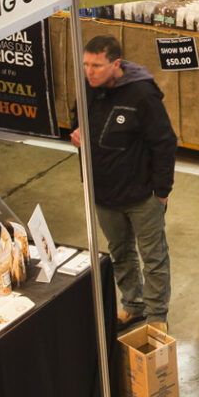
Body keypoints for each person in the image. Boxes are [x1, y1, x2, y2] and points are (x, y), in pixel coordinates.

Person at [77, 34, 177, 325]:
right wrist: (76, 132)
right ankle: (133, 304)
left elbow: (165, 142)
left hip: (142, 196)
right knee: (120, 254)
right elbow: (78, 119)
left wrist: (161, 191)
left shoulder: (142, 95)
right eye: (86, 65)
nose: (89, 71)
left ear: (116, 64)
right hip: (104, 195)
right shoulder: (88, 88)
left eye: (96, 65)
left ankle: (157, 316)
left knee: (153, 259)